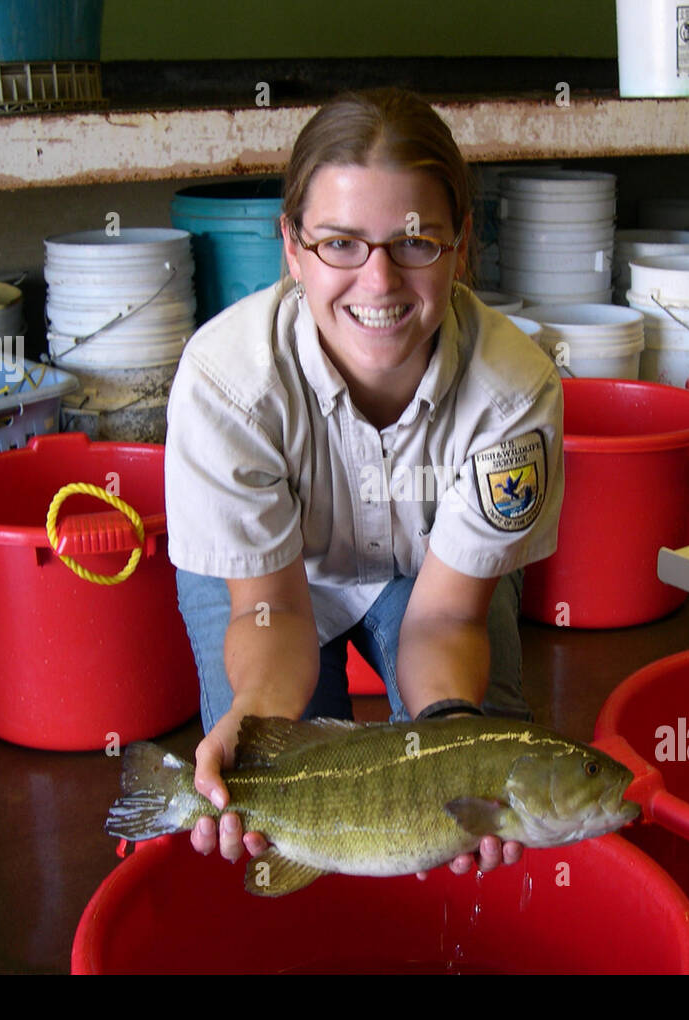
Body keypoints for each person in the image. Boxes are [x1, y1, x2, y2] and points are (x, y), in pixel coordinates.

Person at [164, 87, 564, 877]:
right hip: (274, 590)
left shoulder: (514, 394)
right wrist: (253, 714)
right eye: (340, 243)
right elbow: (268, 611)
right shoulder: (225, 382)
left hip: (430, 581)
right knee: (270, 799)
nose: (378, 283)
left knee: (495, 780)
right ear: (290, 245)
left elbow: (447, 615)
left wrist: (454, 739)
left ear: (461, 245)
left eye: (415, 242)